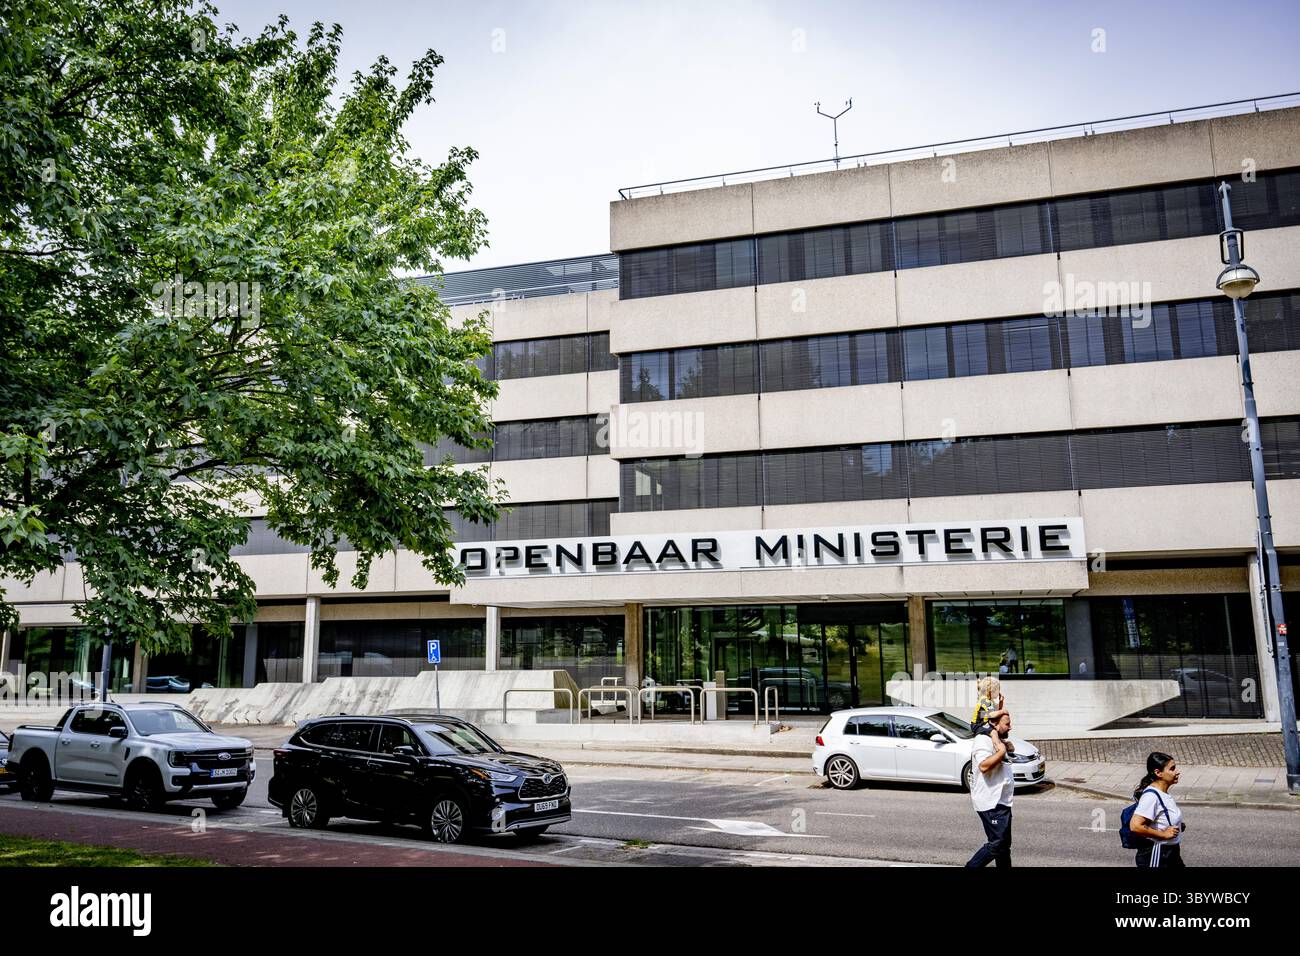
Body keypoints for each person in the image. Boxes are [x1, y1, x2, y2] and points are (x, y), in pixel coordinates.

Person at [965, 712, 1015, 867]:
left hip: (1002, 800)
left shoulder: (995, 738)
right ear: (994, 724)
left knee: (1004, 846)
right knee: (996, 845)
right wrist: (1001, 752)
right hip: (991, 802)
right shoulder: (982, 741)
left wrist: (1005, 747)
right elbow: (984, 766)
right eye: (1007, 724)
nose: (1010, 727)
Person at [1129, 752, 1186, 867]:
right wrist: (1164, 834)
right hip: (1158, 853)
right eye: (1172, 769)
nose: (1177, 772)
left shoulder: (1163, 793)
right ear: (1158, 773)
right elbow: (1135, 826)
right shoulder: (1151, 797)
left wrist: (1179, 824)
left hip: (1171, 852)